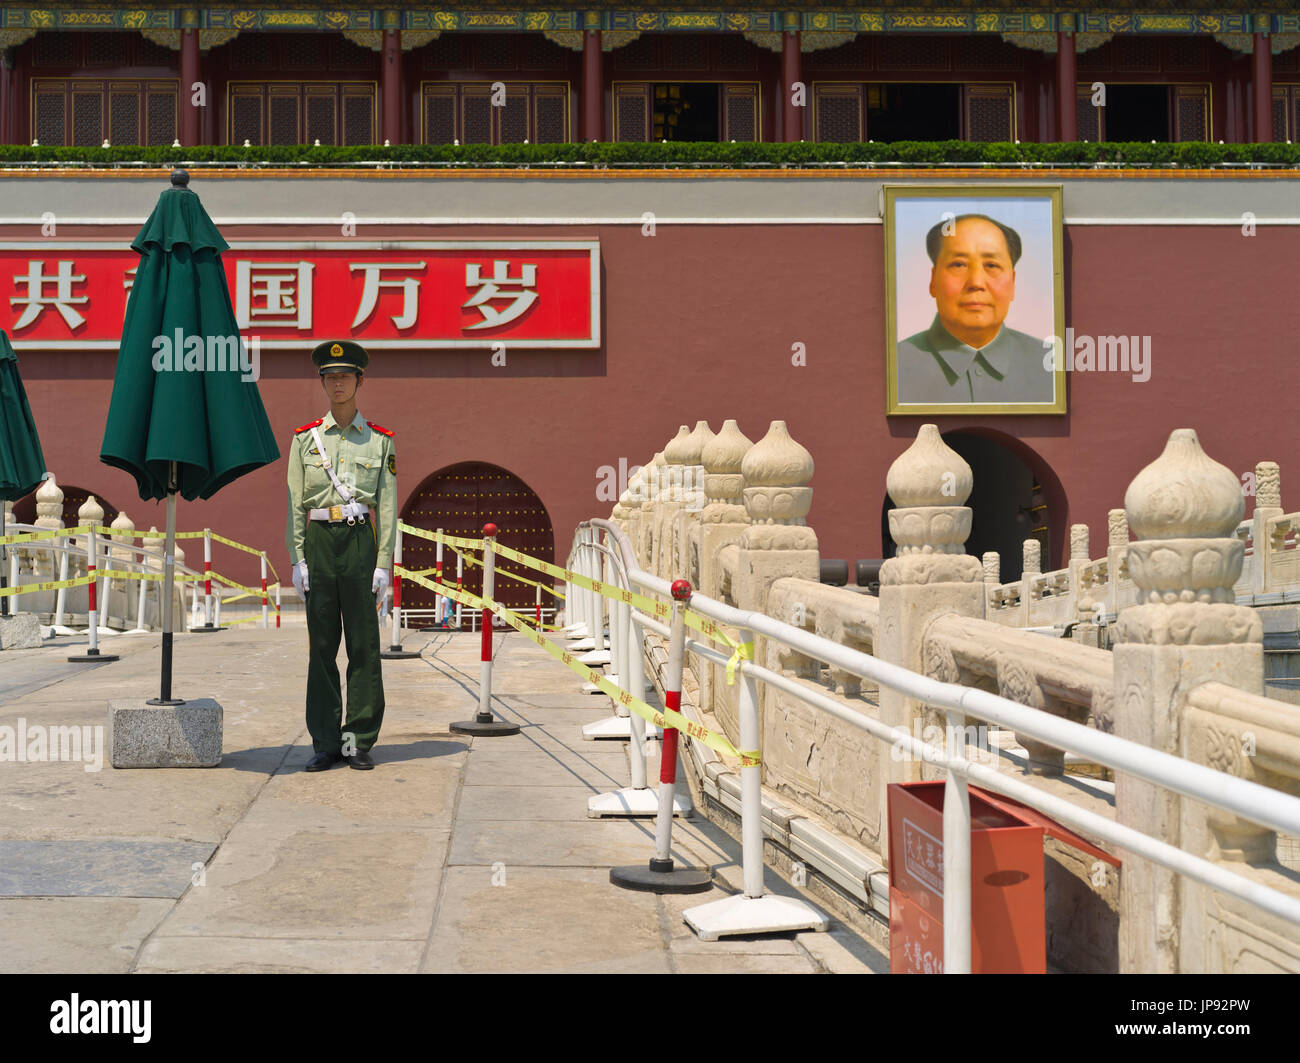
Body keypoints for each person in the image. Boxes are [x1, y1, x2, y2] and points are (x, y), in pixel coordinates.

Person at [285, 340, 396, 771]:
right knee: (322, 646)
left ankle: (358, 740)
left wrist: (383, 563)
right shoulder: (304, 439)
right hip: (319, 540)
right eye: (330, 377)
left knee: (365, 645)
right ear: (322, 382)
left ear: (360, 380)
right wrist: (297, 559)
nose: (337, 383)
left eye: (345, 376)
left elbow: (386, 505)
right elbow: (296, 501)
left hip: (359, 542)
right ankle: (326, 742)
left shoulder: (379, 440)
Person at [895, 213, 1054, 406]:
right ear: (933, 280)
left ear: (1012, 283)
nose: (976, 282)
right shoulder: (894, 365)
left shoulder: (1052, 366)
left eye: (992, 265)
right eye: (959, 264)